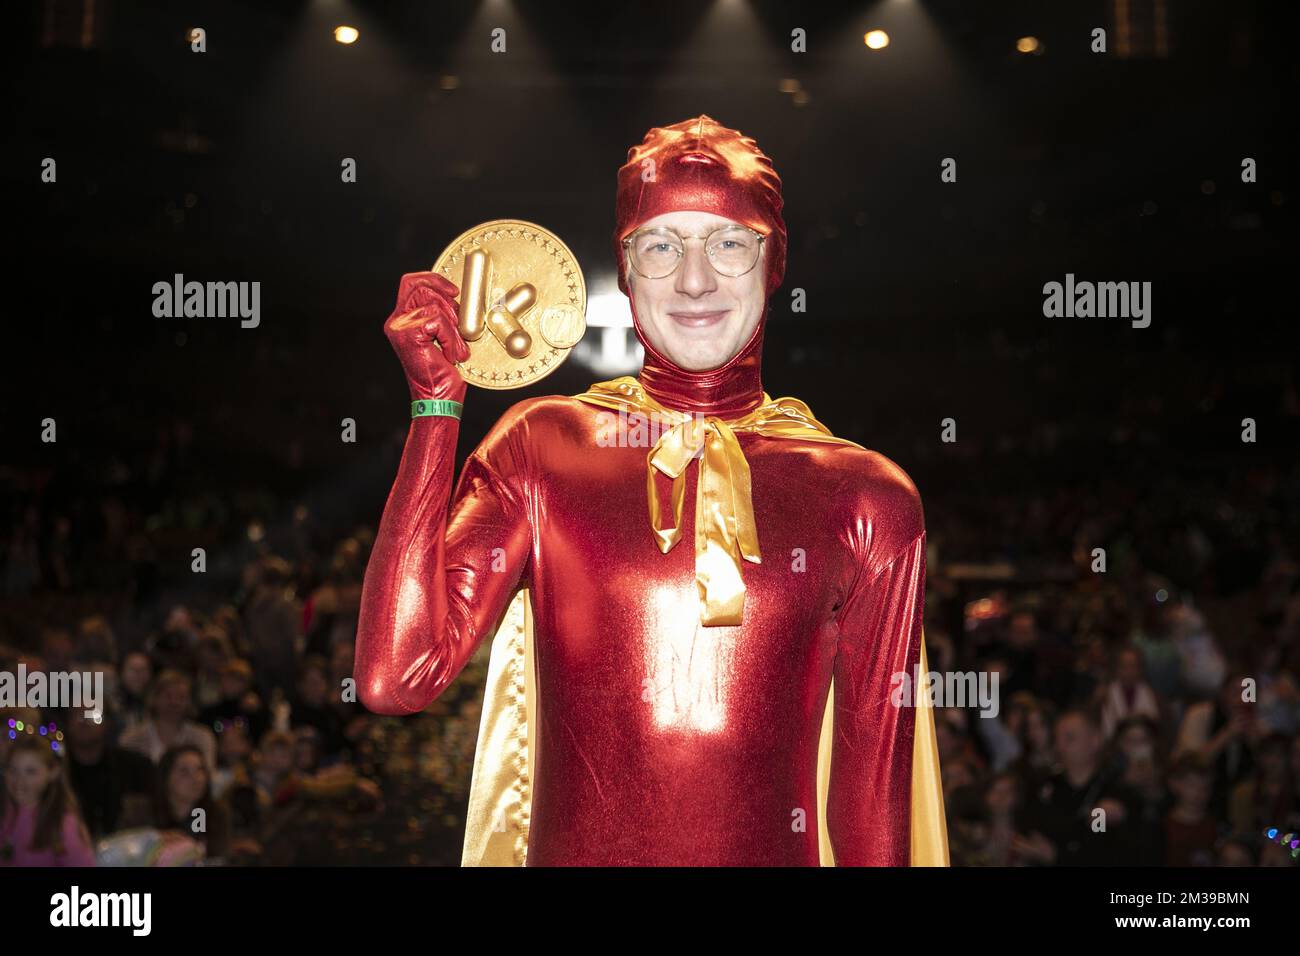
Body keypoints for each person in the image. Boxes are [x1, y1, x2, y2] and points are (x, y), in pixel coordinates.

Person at [355, 114, 945, 865]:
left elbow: (871, 815)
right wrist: (435, 410)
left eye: (728, 242)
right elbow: (394, 677)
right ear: (626, 268)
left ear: (774, 263)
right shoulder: (543, 447)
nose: (694, 279)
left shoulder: (869, 497)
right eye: (661, 245)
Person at [1, 734, 96, 866]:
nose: (18, 781)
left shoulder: (62, 825)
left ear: (53, 772)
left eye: (31, 771)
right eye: (12, 770)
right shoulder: (7, 812)